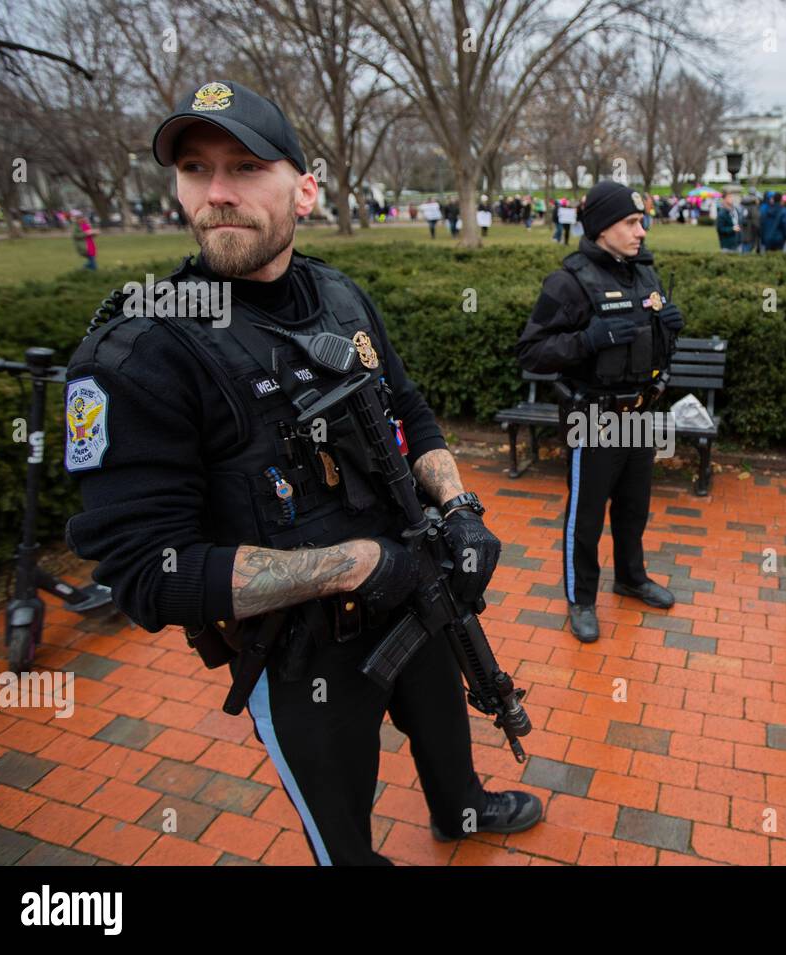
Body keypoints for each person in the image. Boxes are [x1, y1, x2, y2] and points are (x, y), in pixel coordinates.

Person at [63, 80, 542, 865]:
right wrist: (355, 564)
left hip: (417, 592)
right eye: (194, 168)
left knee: (446, 722)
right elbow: (148, 573)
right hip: (299, 654)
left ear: (305, 188)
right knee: (341, 826)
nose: (217, 193)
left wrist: (460, 507)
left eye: (247, 167)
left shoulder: (340, 296)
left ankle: (462, 808)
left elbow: (410, 411)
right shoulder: (143, 350)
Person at [515, 181, 682, 642]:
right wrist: (589, 340)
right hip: (596, 416)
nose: (641, 231)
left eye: (641, 221)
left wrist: (670, 329)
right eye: (630, 222)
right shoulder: (569, 281)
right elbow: (532, 352)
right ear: (603, 227)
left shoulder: (642, 273)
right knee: (586, 516)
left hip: (643, 414)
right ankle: (581, 598)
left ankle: (631, 577)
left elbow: (651, 337)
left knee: (634, 508)